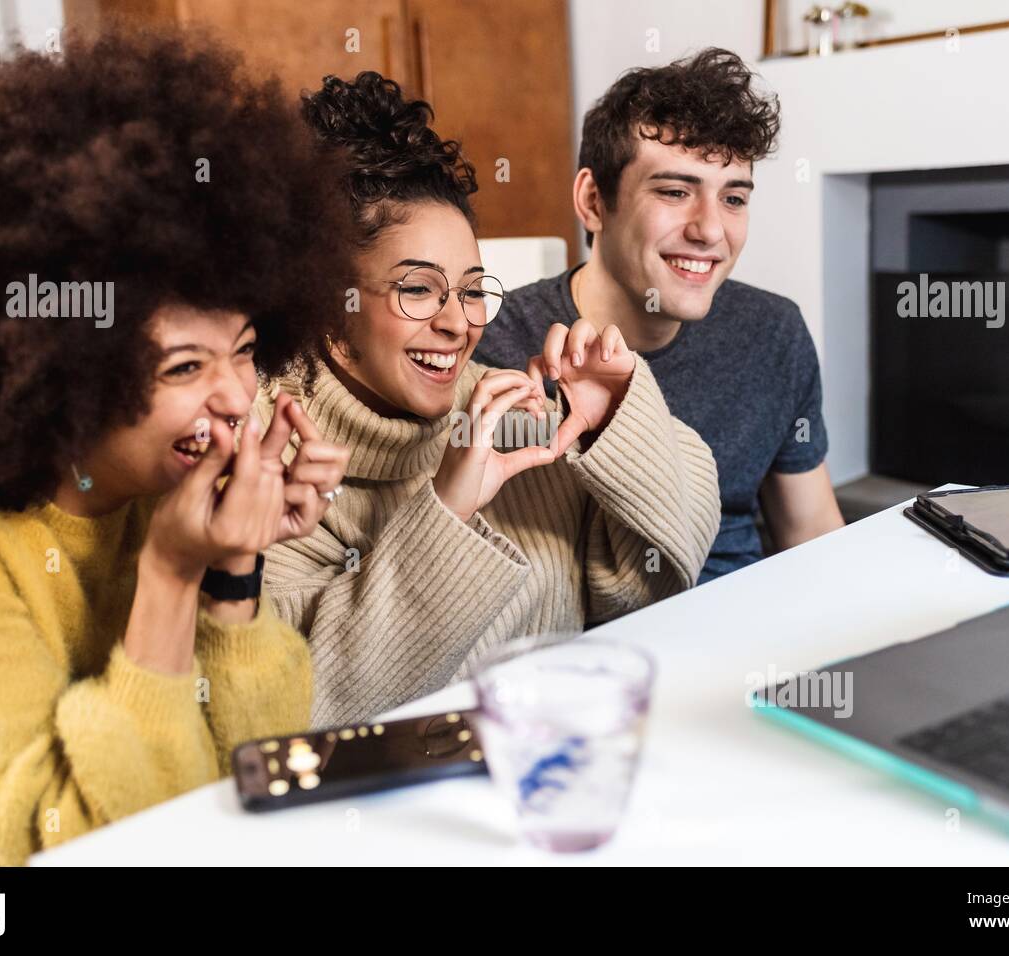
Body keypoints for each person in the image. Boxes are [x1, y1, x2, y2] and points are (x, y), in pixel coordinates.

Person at [0, 29, 350, 865]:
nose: (236, 398)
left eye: (244, 348)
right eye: (185, 365)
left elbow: (253, 789)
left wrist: (234, 570)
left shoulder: (175, 483)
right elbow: (81, 848)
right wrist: (167, 575)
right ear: (56, 370)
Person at [260, 71, 721, 728]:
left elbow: (648, 582)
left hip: (556, 771)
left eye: (472, 289)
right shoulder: (268, 468)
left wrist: (610, 422)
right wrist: (447, 506)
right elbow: (309, 704)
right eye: (418, 290)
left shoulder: (499, 406)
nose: (459, 324)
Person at [475, 49, 845, 583]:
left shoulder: (773, 332)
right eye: (675, 192)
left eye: (734, 198)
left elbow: (808, 529)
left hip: (750, 635)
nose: (711, 230)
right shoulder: (498, 345)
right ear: (593, 201)